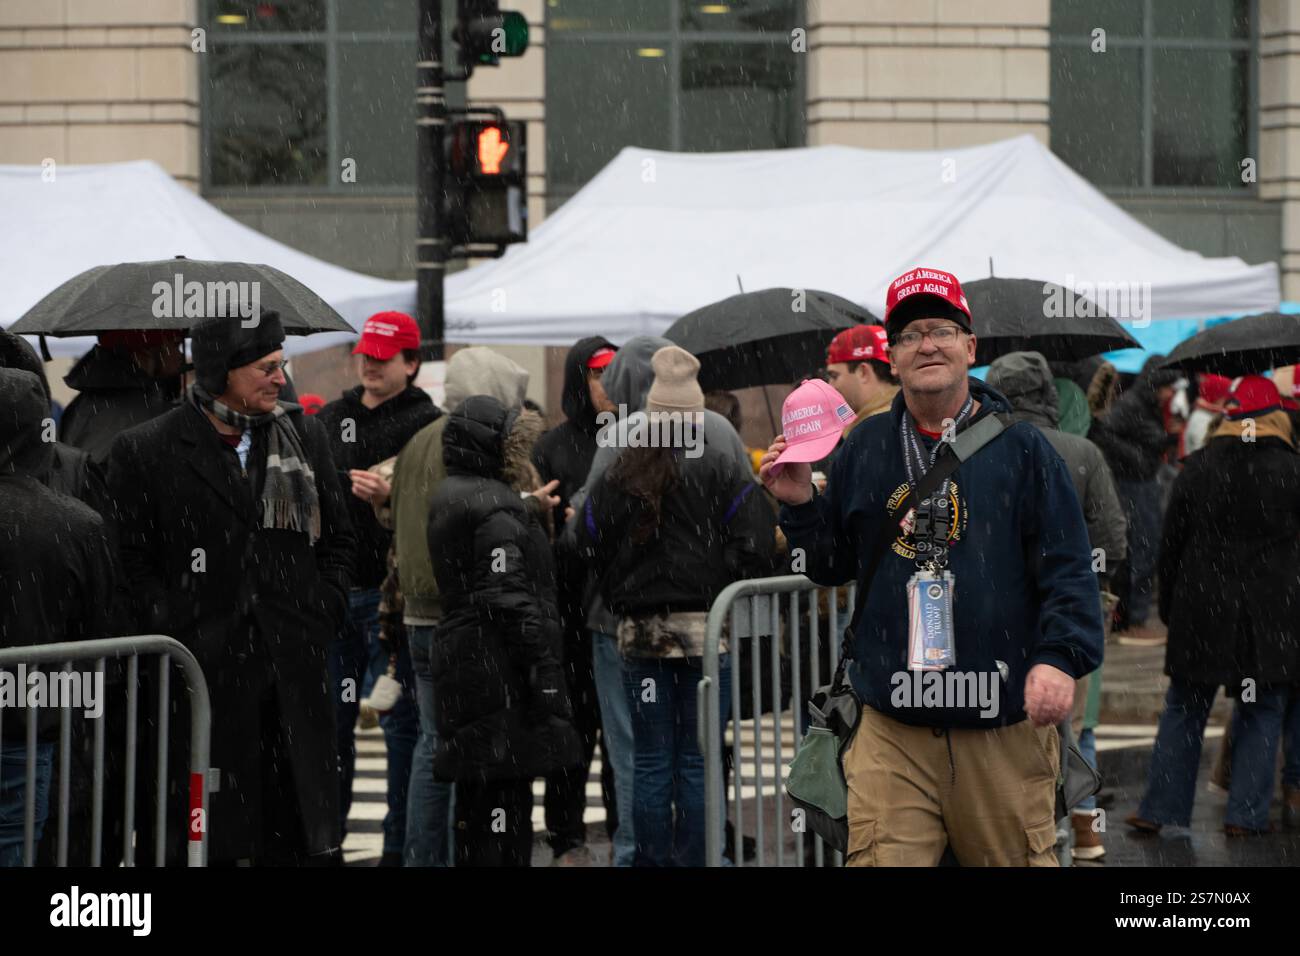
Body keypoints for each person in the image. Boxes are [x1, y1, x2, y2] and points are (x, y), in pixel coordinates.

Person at [762, 266, 1104, 867]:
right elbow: (831, 564)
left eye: (942, 330)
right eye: (912, 333)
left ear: (970, 348)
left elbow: (1070, 571)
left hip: (1000, 727)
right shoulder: (864, 448)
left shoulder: (1024, 451)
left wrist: (1058, 660)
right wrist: (801, 507)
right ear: (891, 356)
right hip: (891, 729)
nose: (928, 344)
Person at [107, 311, 355, 865]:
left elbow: (339, 540)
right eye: (266, 366)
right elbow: (131, 563)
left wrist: (325, 608)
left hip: (292, 672)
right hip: (201, 678)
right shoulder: (146, 449)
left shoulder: (303, 434)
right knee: (204, 833)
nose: (279, 377)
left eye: (280, 364)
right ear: (222, 371)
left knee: (294, 832)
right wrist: (174, 625)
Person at [577, 346, 775, 866]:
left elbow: (585, 537)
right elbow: (754, 536)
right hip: (707, 632)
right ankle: (698, 857)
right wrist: (722, 578)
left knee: (648, 761)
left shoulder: (623, 464)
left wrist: (620, 584)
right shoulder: (718, 456)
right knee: (698, 758)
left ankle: (648, 859)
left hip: (640, 633)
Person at [1128, 375, 1300, 837]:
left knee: (1185, 706)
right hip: (1271, 616)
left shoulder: (1198, 467)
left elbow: (1171, 546)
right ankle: (1244, 816)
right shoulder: (1293, 469)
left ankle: (1160, 808)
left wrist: (1170, 608)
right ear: (1279, 417)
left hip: (1202, 610)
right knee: (1260, 708)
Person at [383, 346, 531, 866]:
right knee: (453, 749)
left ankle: (426, 854)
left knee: (432, 744)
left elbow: (397, 520)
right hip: (462, 613)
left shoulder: (417, 442)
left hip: (417, 610)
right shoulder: (473, 443)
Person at [427, 395, 581, 866]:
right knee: (505, 806)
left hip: (470, 662)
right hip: (500, 673)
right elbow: (509, 597)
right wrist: (545, 672)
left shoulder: (456, 493)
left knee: (479, 807)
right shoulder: (496, 507)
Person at [985, 350, 1127, 860]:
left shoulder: (981, 450)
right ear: (1048, 394)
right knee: (1075, 720)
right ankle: (1085, 831)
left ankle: (1022, 828)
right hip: (1074, 608)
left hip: (996, 614)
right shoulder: (1082, 451)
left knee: (1003, 723)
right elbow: (1112, 536)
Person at [316, 311, 440, 866]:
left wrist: (387, 497)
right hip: (338, 591)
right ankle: (327, 845)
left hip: (395, 598)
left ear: (411, 364)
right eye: (365, 353)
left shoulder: (427, 424)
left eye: (383, 356)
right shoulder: (332, 417)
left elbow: (437, 507)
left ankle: (398, 848)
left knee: (404, 732)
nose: (369, 364)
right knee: (329, 731)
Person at [0, 369, 116, 867]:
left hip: (31, 720)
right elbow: (102, 632)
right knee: (15, 842)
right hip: (29, 718)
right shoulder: (76, 523)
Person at [532, 337, 617, 865]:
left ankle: (621, 829)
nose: (607, 384)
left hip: (616, 606)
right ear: (578, 379)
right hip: (568, 608)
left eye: (614, 372)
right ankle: (566, 838)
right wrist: (564, 531)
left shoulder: (638, 436)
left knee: (622, 737)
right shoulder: (553, 446)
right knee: (572, 734)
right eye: (597, 373)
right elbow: (533, 523)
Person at [1088, 356, 1181, 639]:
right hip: (1133, 483)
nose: (1172, 393)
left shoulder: (1143, 404)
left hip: (1140, 480)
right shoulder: (1133, 405)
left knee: (1142, 546)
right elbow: (1104, 435)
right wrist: (1140, 458)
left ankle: (1130, 618)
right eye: (1169, 387)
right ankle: (1134, 619)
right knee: (1143, 546)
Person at [59, 330, 185, 464]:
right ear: (146, 350)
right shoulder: (138, 408)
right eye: (175, 345)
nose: (180, 354)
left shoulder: (84, 402)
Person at [823, 324, 899, 433]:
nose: (830, 386)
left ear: (863, 372)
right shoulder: (906, 416)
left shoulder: (872, 431)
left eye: (834, 376)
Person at [1181, 373, 1231, 459]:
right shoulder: (1201, 419)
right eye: (1225, 396)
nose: (1228, 400)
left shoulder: (1210, 414)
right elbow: (1203, 454)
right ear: (1217, 396)